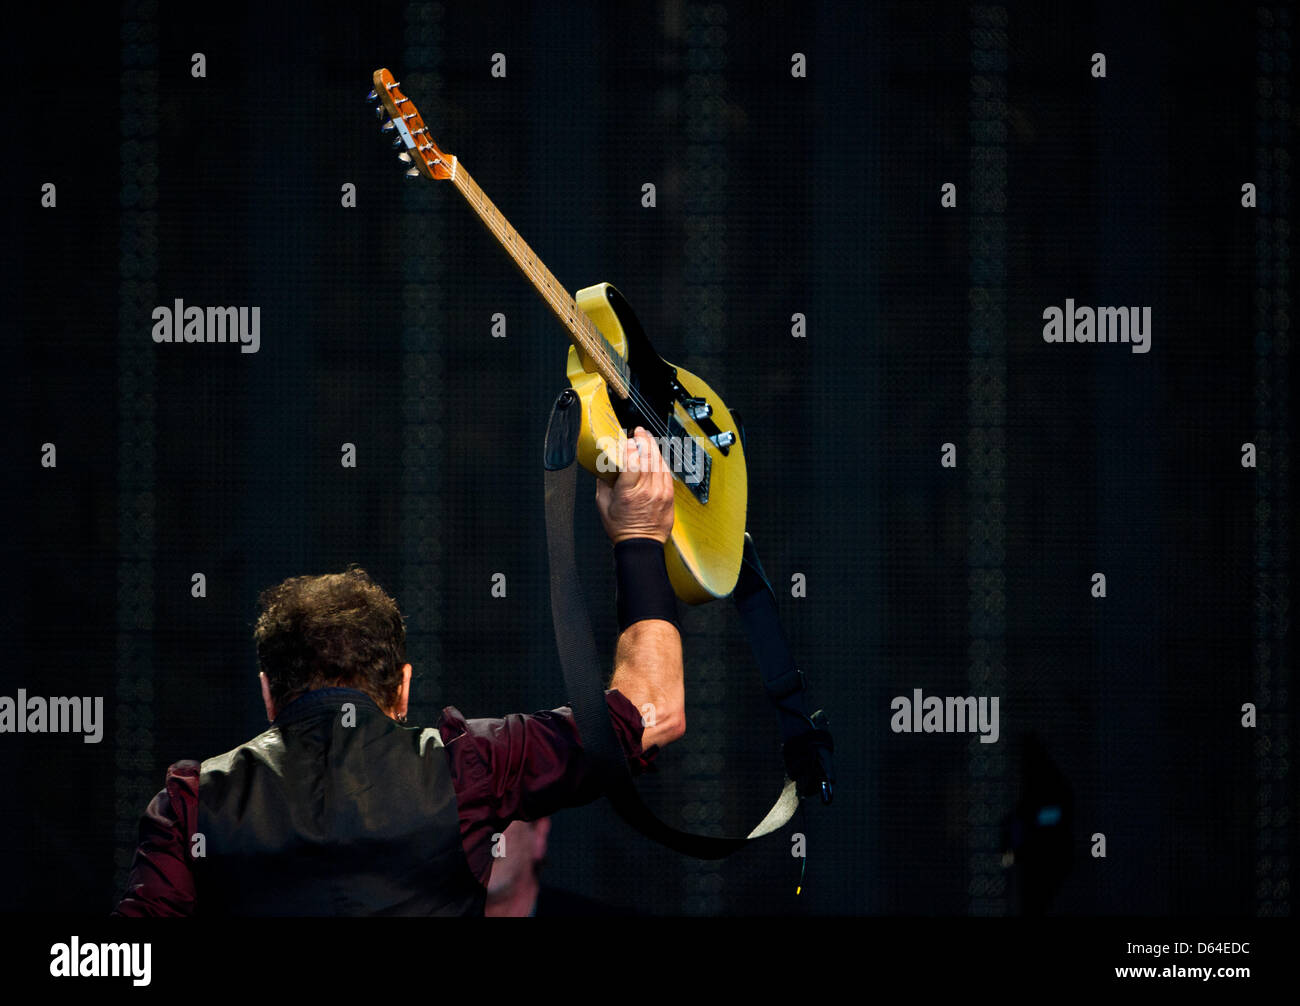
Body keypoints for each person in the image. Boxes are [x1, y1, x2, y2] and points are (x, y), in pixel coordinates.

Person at [113, 427, 683, 916]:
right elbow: (652, 712)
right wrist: (639, 539)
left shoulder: (188, 804)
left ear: (268, 694)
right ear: (403, 689)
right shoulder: (470, 767)